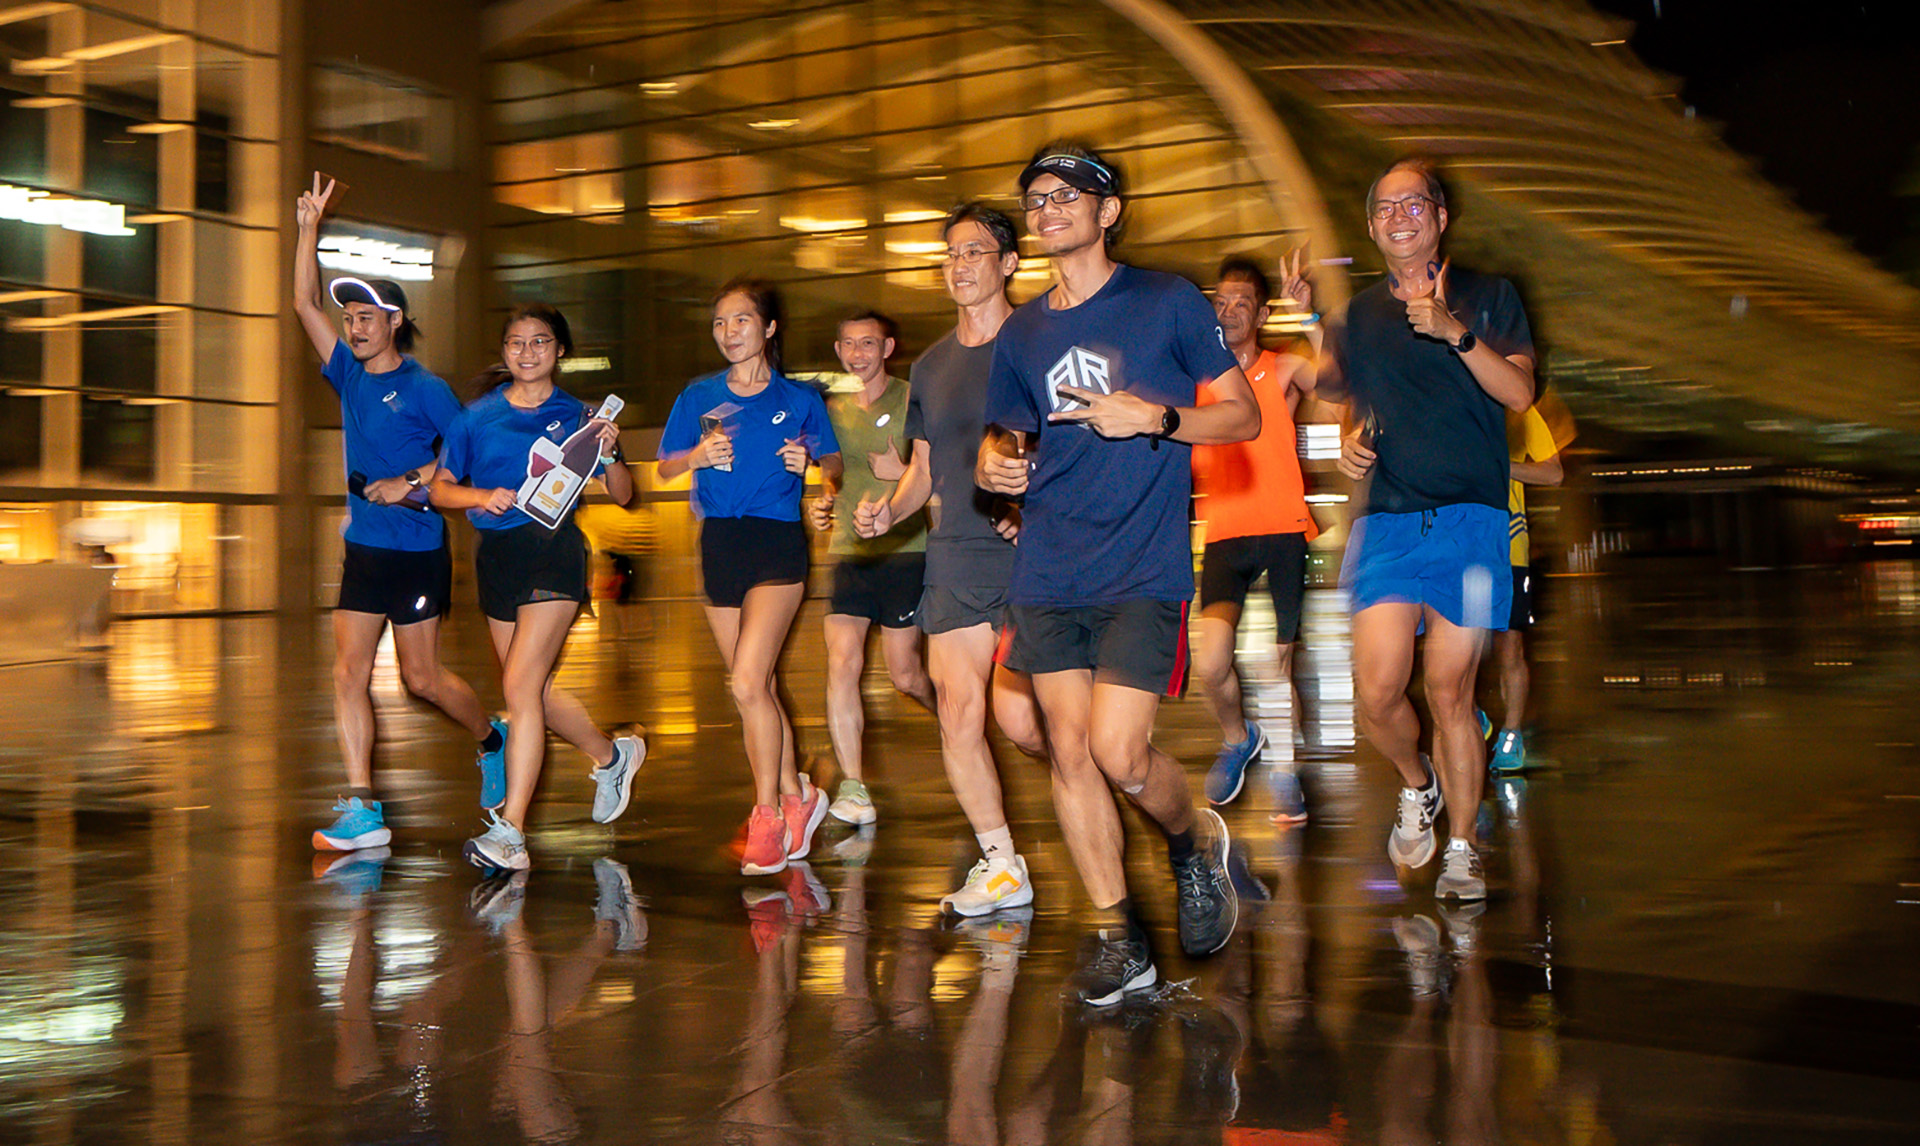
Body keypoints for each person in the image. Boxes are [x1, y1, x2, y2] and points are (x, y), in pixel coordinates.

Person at [974, 142, 1259, 1005]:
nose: (1048, 207)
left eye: (1067, 195)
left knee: (1119, 752)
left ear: (1110, 212)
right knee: (1068, 751)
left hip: (1143, 564)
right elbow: (1005, 438)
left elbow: (1240, 415)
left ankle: (1190, 845)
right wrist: (993, 468)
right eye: (1035, 200)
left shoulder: (1167, 302)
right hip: (1051, 565)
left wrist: (1159, 417)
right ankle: (1117, 932)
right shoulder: (1021, 332)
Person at [1319, 157, 1536, 902]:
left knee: (1450, 689)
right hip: (1386, 522)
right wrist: (1350, 439)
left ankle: (1465, 850)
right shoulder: (1358, 320)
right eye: (1386, 206)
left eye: (1416, 203)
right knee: (1377, 694)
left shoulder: (1490, 295)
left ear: (1441, 218)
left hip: (1472, 523)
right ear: (1373, 226)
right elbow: (1352, 405)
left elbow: (1519, 390)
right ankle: (1419, 784)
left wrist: (1455, 332)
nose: (1401, 214)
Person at [292, 172, 504, 853]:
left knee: (421, 680)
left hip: (417, 550)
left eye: (366, 317)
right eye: (349, 317)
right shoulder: (348, 374)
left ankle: (489, 737)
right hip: (365, 549)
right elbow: (301, 301)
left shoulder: (427, 388)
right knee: (347, 672)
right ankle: (362, 807)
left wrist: (406, 480)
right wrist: (307, 231)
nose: (354, 326)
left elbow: (462, 459)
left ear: (395, 324)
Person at [853, 203, 1047, 919]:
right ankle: (1002, 864)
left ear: (1008, 263)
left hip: (1034, 558)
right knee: (959, 713)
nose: (959, 264)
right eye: (950, 253)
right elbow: (925, 471)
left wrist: (1041, 511)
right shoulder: (931, 366)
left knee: (1025, 724)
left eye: (975, 251)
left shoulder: (1040, 344)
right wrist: (887, 512)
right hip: (958, 556)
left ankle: (1109, 780)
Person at [428, 304, 645, 872]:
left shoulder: (582, 416)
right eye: (517, 343)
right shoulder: (474, 419)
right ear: (505, 352)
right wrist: (480, 497)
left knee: (520, 687)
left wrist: (612, 448)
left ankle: (512, 833)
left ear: (560, 351)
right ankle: (610, 755)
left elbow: (623, 493)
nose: (527, 352)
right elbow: (442, 488)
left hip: (553, 552)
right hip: (497, 557)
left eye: (540, 342)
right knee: (533, 693)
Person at [658, 279, 843, 877]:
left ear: (767, 329)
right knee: (754, 690)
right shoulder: (698, 397)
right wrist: (696, 459)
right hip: (720, 543)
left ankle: (766, 814)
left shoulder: (801, 398)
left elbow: (834, 460)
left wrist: (812, 464)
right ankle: (799, 796)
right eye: (719, 322)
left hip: (775, 541)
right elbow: (664, 467)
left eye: (741, 320)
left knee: (745, 682)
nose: (729, 331)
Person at [1191, 252, 1323, 807]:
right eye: (1221, 303)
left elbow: (1339, 382)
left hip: (1283, 529)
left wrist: (1311, 318)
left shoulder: (1284, 368)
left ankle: (1287, 775)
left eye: (1242, 304)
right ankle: (1238, 739)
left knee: (1280, 663)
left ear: (1262, 313)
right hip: (1224, 535)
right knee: (1211, 661)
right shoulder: (1196, 383)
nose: (1229, 313)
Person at [806, 310, 937, 827]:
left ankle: (958, 720)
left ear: (887, 347)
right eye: (848, 343)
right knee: (842, 662)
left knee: (907, 676)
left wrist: (900, 472)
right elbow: (831, 472)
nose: (857, 352)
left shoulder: (913, 397)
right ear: (838, 351)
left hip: (907, 548)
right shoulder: (831, 410)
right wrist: (820, 502)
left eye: (868, 342)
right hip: (849, 551)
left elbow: (937, 473)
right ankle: (854, 787)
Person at [1488, 393, 1572, 772]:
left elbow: (1553, 472)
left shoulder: (1517, 409)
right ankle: (1469, 714)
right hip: (1454, 548)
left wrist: (1498, 467)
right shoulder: (1441, 397)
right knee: (1456, 645)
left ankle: (1511, 733)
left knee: (1509, 646)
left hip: (1507, 549)